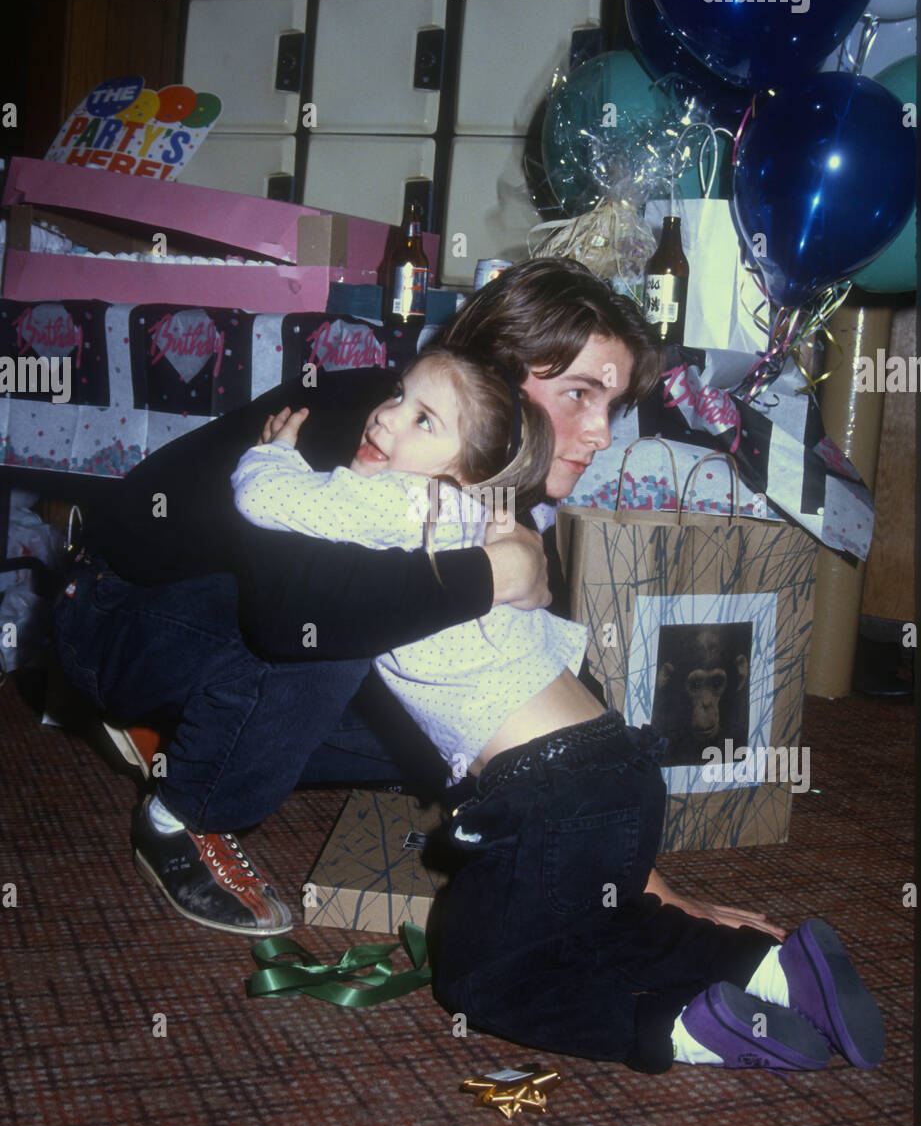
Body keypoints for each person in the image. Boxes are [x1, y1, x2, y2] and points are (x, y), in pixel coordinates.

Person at [51, 258, 774, 941]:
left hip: (216, 633)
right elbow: (297, 619)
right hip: (114, 615)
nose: (600, 434)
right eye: (579, 394)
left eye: (613, 404)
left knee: (472, 724)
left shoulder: (492, 481)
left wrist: (648, 886)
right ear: (495, 375)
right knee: (346, 625)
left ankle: (176, 734)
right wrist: (497, 573)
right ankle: (185, 815)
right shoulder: (371, 425)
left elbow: (536, 686)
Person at [229, 346, 884, 1073]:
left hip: (542, 785)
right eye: (396, 397)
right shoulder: (478, 513)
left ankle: (678, 1030)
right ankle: (770, 970)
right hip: (618, 763)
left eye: (422, 419)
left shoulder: (405, 504)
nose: (386, 417)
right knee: (602, 915)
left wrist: (273, 455)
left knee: (484, 981)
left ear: (464, 470)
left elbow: (272, 504)